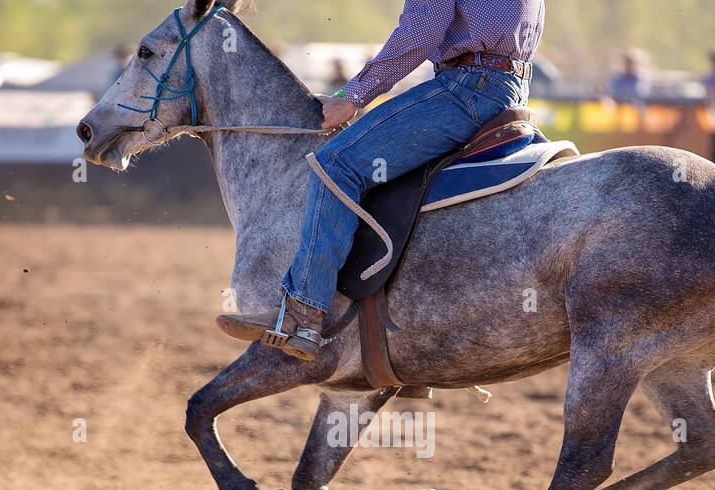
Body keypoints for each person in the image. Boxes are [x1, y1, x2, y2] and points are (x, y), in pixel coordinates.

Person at [217, 0, 545, 362]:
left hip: (466, 89)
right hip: (509, 88)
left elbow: (420, 32)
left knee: (337, 163)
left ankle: (304, 312)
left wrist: (351, 97)